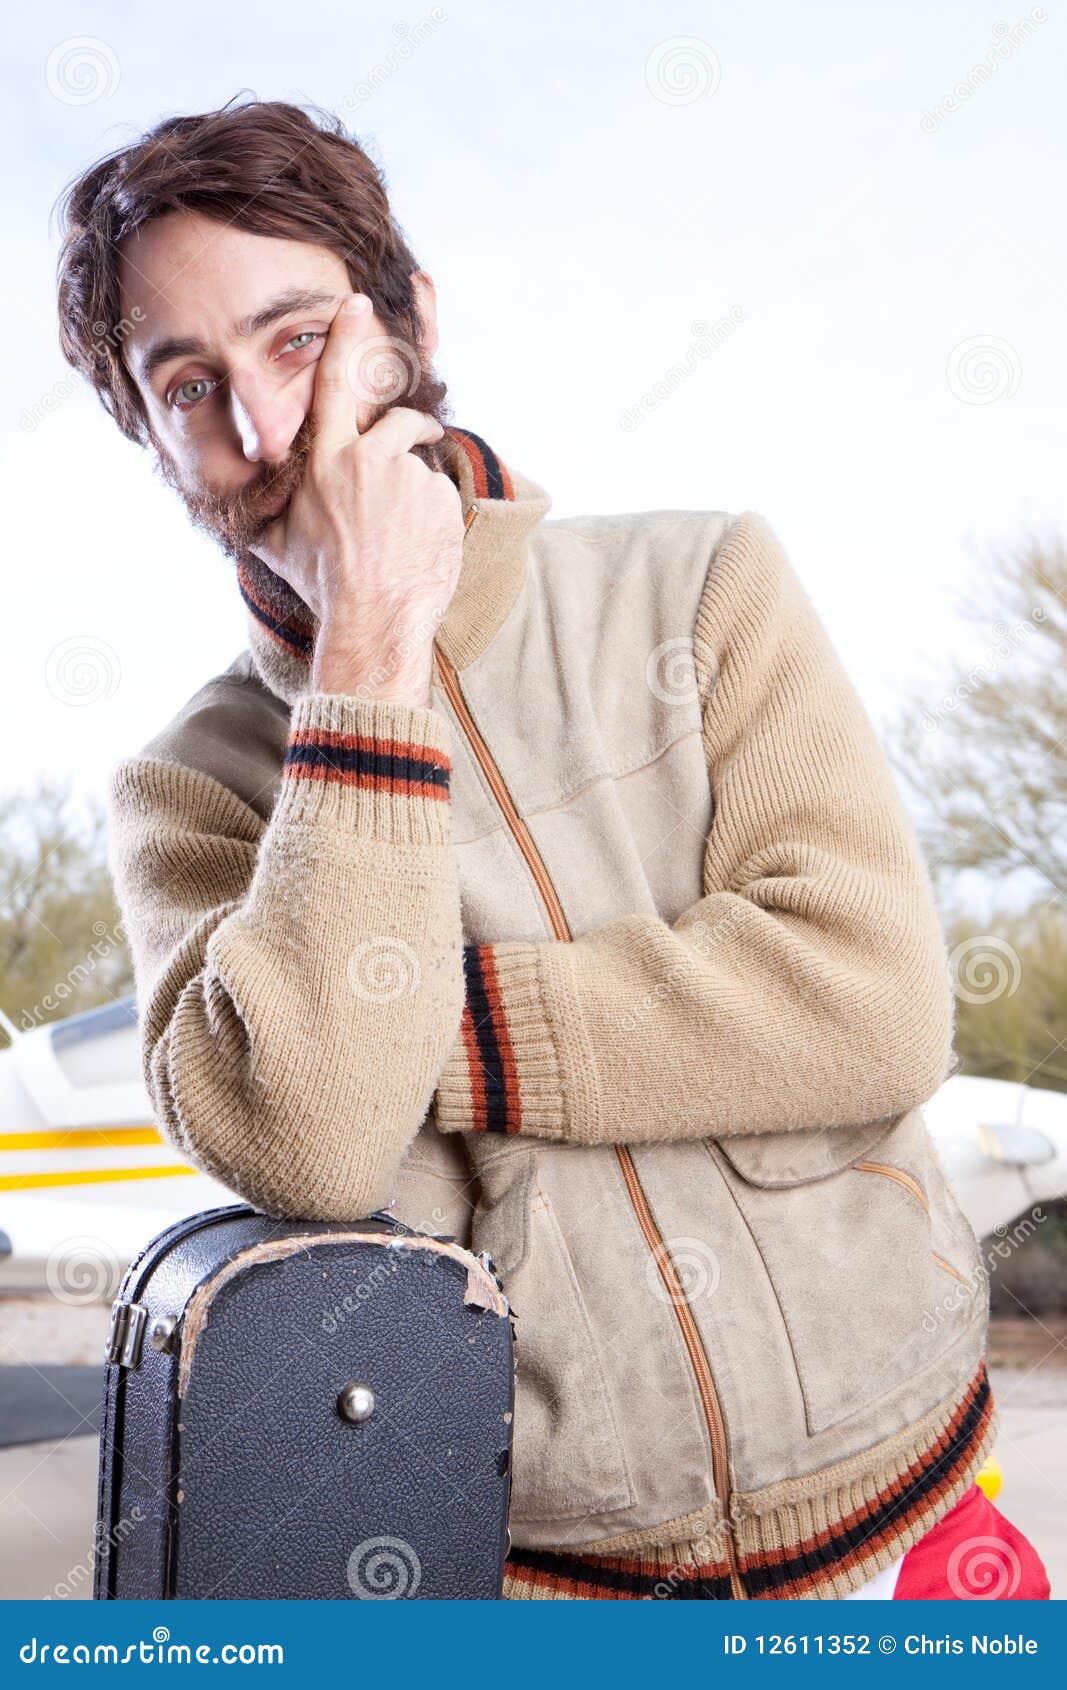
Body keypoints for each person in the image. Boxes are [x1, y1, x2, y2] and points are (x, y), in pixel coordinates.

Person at [55, 97, 1049, 1601]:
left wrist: (395, 1025)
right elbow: (309, 1136)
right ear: (149, 435)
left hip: (912, 1525)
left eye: (300, 339)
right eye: (191, 385)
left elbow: (872, 1004)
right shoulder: (184, 791)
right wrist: (368, 654)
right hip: (536, 1587)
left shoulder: (704, 583)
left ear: (411, 320)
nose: (265, 430)